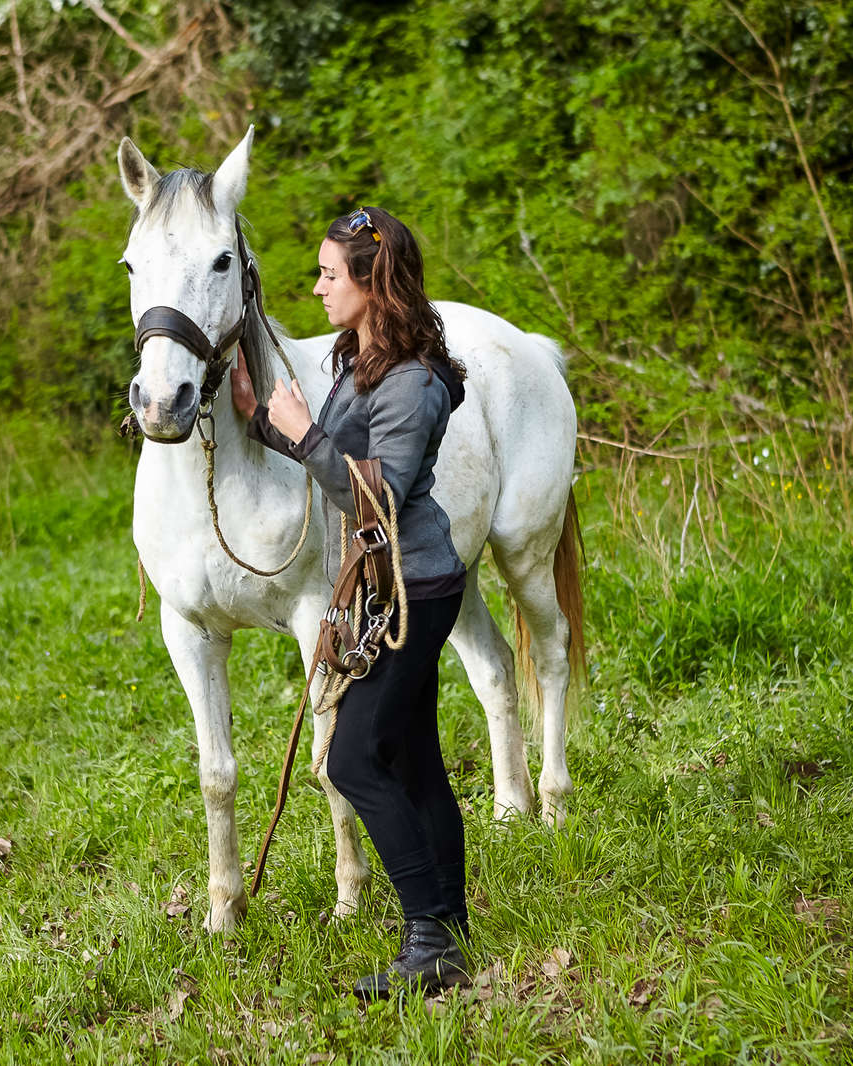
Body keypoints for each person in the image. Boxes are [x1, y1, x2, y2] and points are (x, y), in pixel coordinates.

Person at [231, 206, 471, 998]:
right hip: (382, 587)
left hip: (416, 587)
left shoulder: (411, 381)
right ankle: (449, 920)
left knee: (353, 759)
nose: (317, 286)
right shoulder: (363, 360)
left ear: (374, 283)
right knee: (413, 758)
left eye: (331, 274)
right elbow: (326, 450)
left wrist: (301, 434)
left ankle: (429, 941)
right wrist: (260, 421)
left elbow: (382, 496)